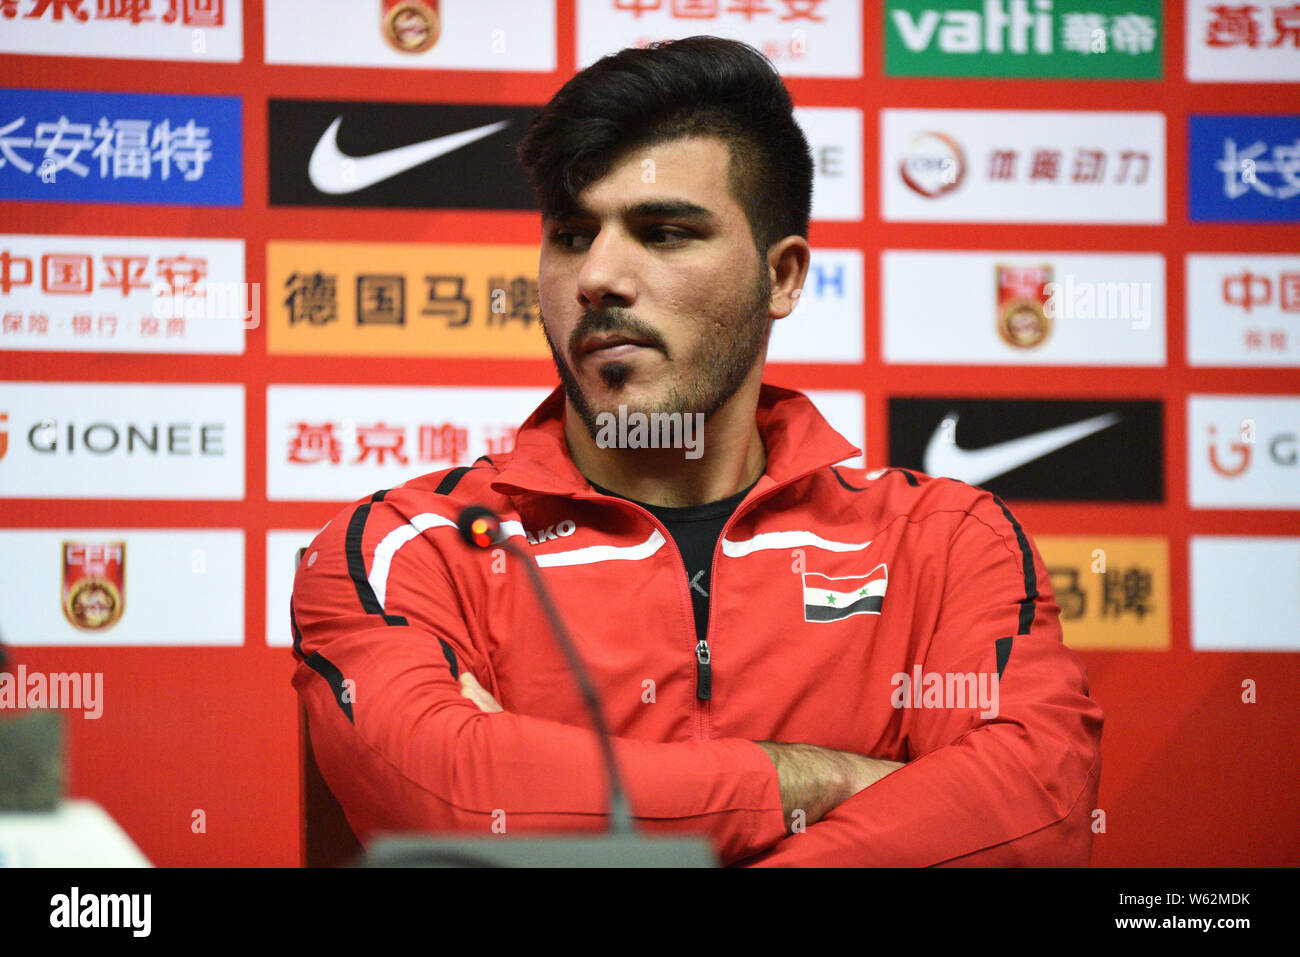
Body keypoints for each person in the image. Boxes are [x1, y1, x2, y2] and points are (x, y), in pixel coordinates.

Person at [290, 36, 1103, 866]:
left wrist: (568, 815)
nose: (598, 274)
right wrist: (818, 780)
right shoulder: (416, 547)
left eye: (665, 232)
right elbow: (459, 797)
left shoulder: (944, 541)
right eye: (572, 234)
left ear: (782, 277)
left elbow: (1030, 807)